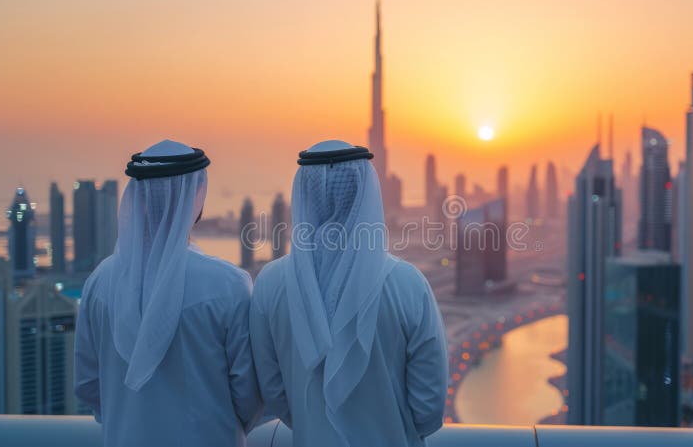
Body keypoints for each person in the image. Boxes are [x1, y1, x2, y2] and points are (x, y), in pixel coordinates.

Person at [250, 140, 447, 447]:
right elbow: (429, 409)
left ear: (304, 196)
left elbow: (274, 394)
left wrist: (317, 426)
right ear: (366, 195)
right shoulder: (408, 283)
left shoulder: (269, 283)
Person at [74, 140, 262, 447]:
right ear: (196, 199)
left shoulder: (100, 281)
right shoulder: (228, 284)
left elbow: (87, 385)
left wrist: (132, 419)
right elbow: (248, 393)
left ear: (139, 199)